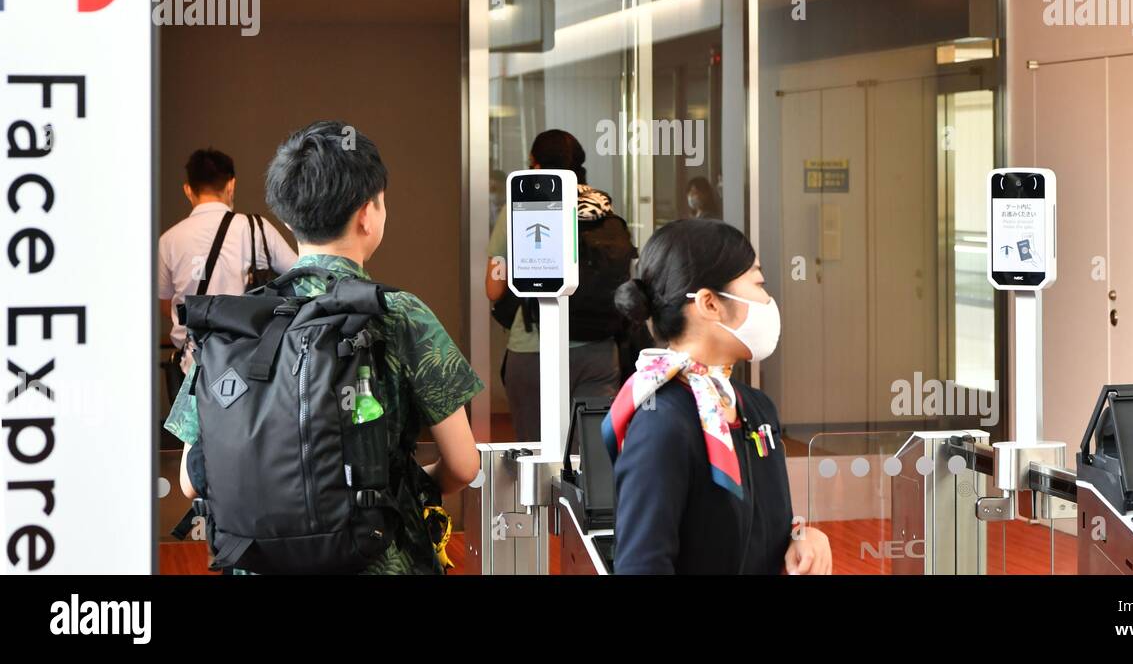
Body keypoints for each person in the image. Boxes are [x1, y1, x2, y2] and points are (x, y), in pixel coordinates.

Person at [165, 121, 483, 574]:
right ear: (368, 215)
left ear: (288, 219)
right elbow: (464, 464)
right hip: (379, 558)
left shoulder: (234, 322)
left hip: (257, 562)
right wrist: (403, 487)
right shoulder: (398, 312)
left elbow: (190, 483)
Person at [604, 218, 832, 574]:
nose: (768, 300)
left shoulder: (756, 409)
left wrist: (801, 536)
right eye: (759, 283)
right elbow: (642, 564)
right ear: (710, 303)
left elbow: (758, 529)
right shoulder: (662, 424)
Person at [484, 129, 624, 442]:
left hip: (535, 348)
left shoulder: (520, 209)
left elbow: (494, 289)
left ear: (535, 166)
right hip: (598, 350)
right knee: (592, 457)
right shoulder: (601, 207)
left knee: (538, 458)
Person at [158, 148, 297, 370]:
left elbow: (167, 304)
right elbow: (300, 273)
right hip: (249, 361)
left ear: (188, 190)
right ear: (231, 185)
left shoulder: (168, 240)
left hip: (194, 367)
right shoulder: (255, 229)